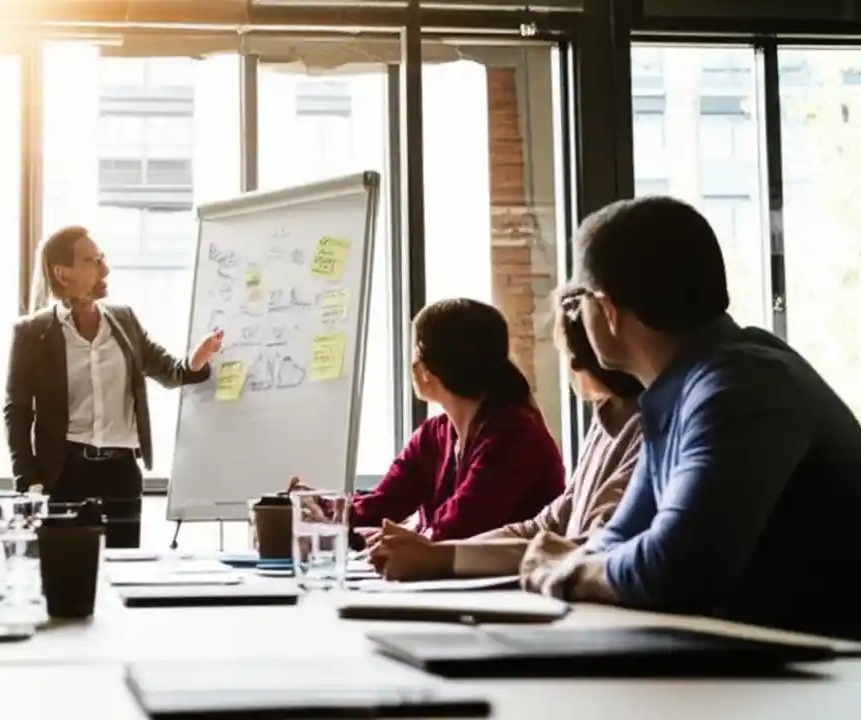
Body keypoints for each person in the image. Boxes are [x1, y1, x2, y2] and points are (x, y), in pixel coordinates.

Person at [520, 196, 861, 639]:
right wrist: (576, 565)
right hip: (770, 656)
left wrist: (568, 573)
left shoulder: (739, 385)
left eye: (577, 304)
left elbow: (679, 568)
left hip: (829, 668)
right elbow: (622, 535)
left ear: (606, 310)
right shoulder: (685, 387)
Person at [368, 289, 644, 580]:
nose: (571, 365)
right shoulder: (605, 422)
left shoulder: (515, 434)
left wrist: (435, 553)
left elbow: (595, 548)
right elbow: (548, 524)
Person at [4, 226, 223, 548]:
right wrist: (28, 480)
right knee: (67, 567)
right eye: (93, 261)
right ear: (62, 272)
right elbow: (17, 410)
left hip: (122, 473)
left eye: (103, 259)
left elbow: (169, 370)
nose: (105, 269)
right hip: (64, 473)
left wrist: (196, 360)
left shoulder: (124, 320)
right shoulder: (32, 332)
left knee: (125, 567)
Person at [293, 298, 565, 545]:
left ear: (423, 368)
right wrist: (320, 507)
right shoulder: (434, 434)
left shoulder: (515, 435)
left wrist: (399, 536)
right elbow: (384, 504)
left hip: (515, 580)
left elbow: (459, 528)